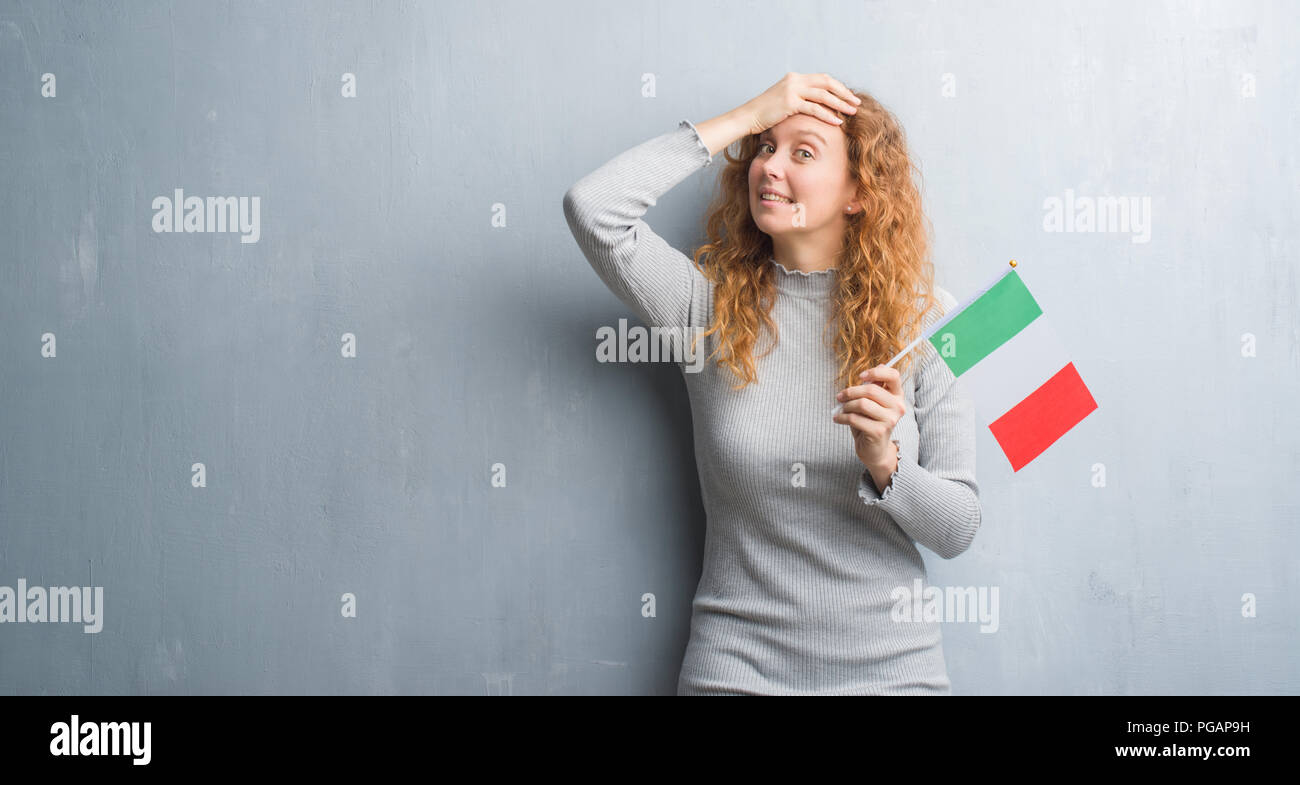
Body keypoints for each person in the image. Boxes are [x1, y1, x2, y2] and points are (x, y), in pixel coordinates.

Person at [562, 72, 981, 695]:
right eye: (764, 148)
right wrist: (747, 115)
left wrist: (885, 462)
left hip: (893, 676)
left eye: (802, 152)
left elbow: (958, 529)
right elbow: (594, 209)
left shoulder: (928, 322)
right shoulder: (706, 311)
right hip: (735, 673)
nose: (768, 167)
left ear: (859, 192)